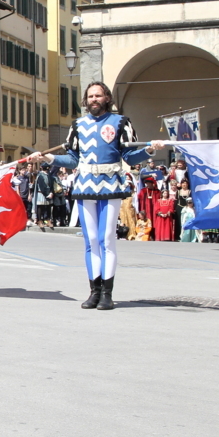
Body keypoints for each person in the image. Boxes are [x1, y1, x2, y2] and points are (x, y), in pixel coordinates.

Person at [34, 81, 164, 310]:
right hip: (84, 186)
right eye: (90, 96)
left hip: (111, 185)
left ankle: (107, 293)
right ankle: (93, 291)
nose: (94, 99)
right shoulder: (77, 125)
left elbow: (130, 157)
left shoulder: (120, 122)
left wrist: (150, 149)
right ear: (86, 100)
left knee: (106, 239)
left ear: (107, 98)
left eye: (98, 95)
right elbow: (73, 159)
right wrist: (48, 159)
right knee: (90, 240)